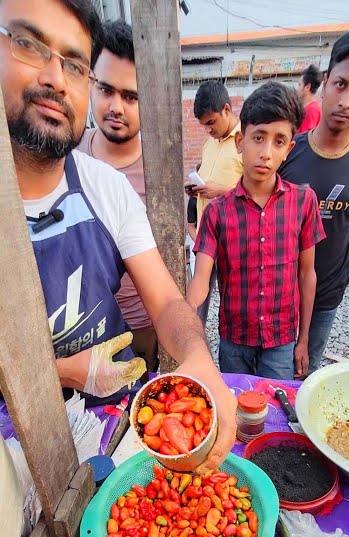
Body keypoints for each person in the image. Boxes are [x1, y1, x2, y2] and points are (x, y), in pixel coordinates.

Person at [4, 0, 235, 469]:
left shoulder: (102, 185)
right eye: (28, 44)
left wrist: (197, 358)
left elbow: (167, 302)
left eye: (73, 64)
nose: (55, 77)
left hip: (111, 414)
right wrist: (58, 372)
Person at [186, 82, 322, 381]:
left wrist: (303, 340)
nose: (265, 153)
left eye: (278, 141)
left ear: (289, 149)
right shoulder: (217, 211)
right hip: (234, 340)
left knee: (276, 411)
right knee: (237, 411)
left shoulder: (304, 202)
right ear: (240, 141)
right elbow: (201, 279)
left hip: (281, 340)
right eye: (258, 138)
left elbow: (306, 274)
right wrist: (182, 315)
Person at [279, 24, 349, 374]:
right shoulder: (288, 151)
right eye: (340, 84)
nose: (346, 102)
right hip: (279, 292)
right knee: (275, 375)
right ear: (326, 81)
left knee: (307, 369)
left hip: (327, 293)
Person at [75, 20, 158, 372]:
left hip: (141, 319)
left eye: (131, 96)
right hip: (79, 326)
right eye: (106, 90)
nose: (116, 107)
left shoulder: (161, 174)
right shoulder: (66, 156)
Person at [188, 80, 242, 229]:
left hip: (231, 238)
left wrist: (219, 191)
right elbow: (210, 188)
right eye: (204, 125)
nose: (208, 130)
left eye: (211, 122)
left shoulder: (247, 142)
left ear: (226, 110)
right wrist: (198, 191)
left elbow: (258, 195)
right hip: (206, 238)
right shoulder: (209, 145)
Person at [297, 63, 322, 134]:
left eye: (299, 85)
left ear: (307, 87)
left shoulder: (311, 111)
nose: (297, 88)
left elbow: (304, 140)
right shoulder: (309, 108)